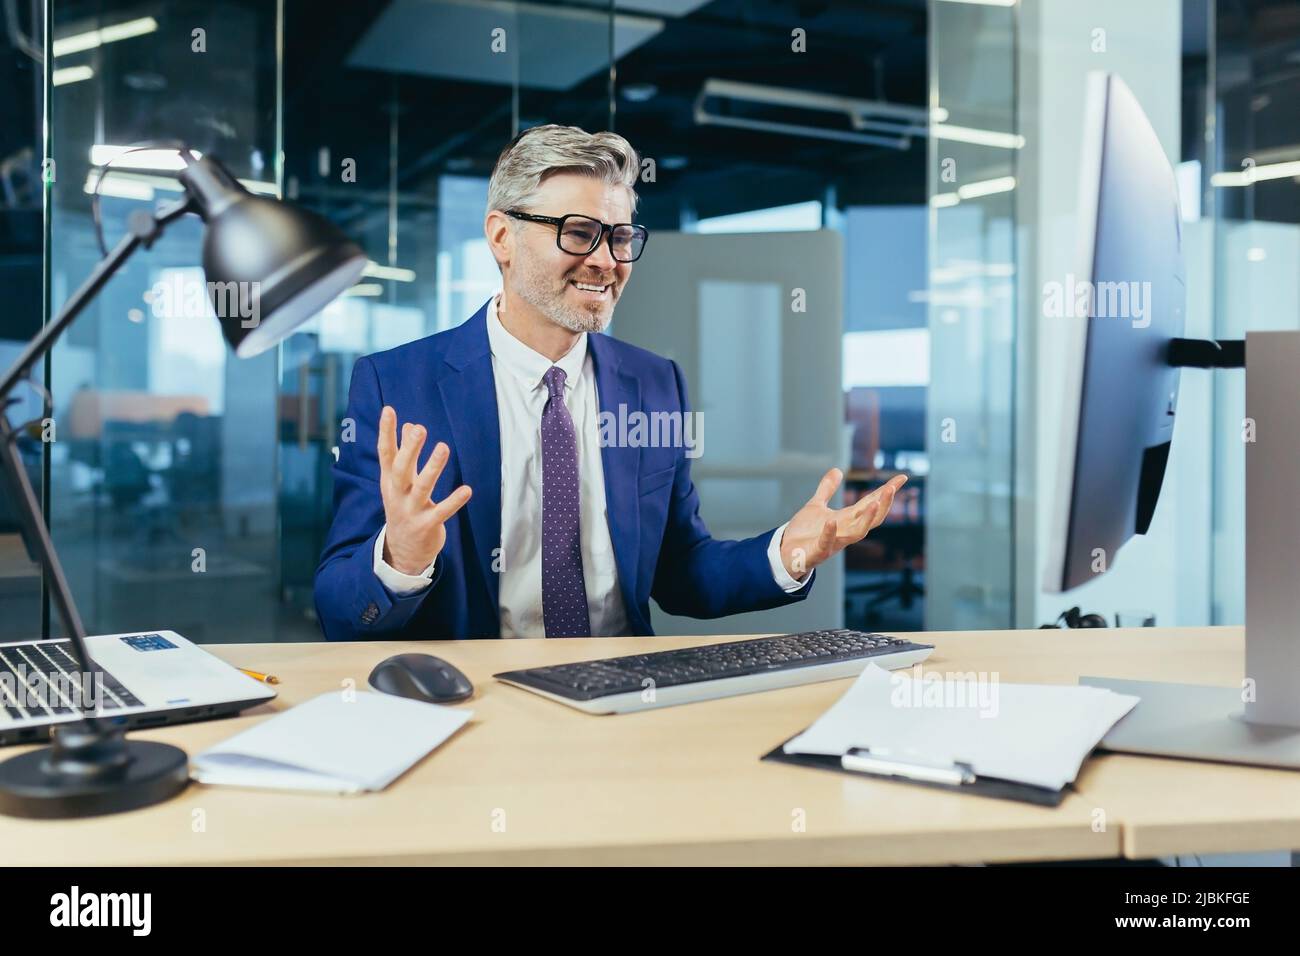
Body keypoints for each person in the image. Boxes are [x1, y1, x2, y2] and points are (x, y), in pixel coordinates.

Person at [314, 124, 904, 640]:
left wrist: (786, 553)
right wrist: (400, 560)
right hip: (477, 707)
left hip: (624, 697)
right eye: (577, 232)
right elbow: (341, 611)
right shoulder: (398, 384)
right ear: (502, 238)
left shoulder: (654, 384)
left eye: (620, 237)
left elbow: (681, 573)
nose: (606, 260)